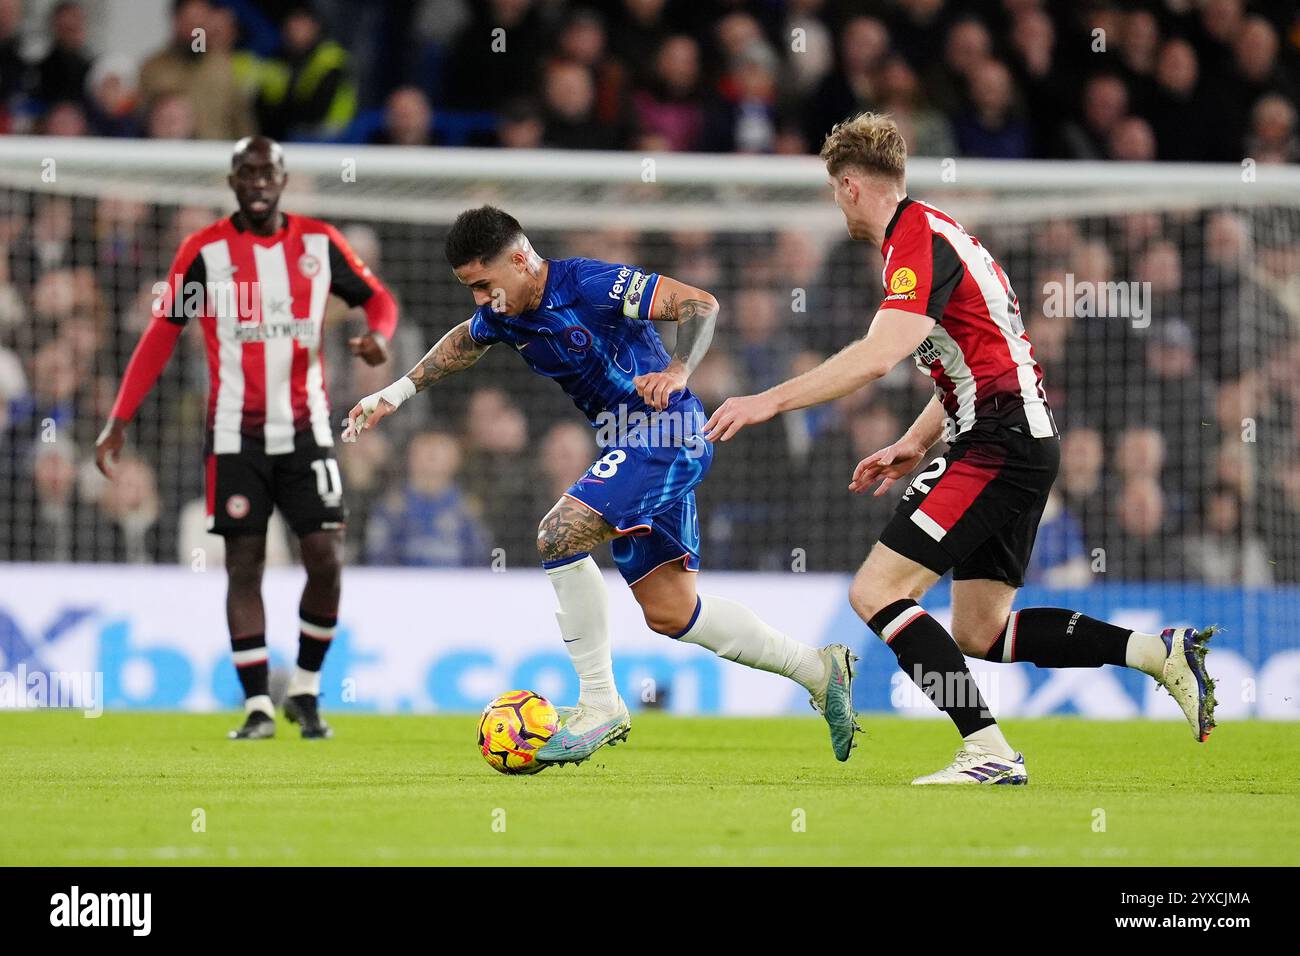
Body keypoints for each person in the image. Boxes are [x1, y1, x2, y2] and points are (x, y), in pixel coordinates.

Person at [704, 113, 1216, 785]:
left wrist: (766, 400)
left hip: (996, 441)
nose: (837, 205)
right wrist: (915, 442)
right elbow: (969, 357)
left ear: (853, 185)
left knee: (876, 592)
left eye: (835, 191)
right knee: (981, 630)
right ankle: (1158, 652)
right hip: (1018, 438)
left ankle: (989, 750)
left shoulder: (914, 239)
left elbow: (876, 357)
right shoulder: (943, 233)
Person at [344, 205, 857, 766]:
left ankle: (599, 703)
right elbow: (465, 341)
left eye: (483, 284)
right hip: (630, 445)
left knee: (557, 535)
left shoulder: (590, 282)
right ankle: (818, 669)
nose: (480, 300)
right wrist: (394, 393)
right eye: (470, 289)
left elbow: (698, 304)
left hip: (669, 430)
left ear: (519, 259)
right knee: (672, 612)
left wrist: (680, 368)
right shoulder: (506, 310)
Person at [95, 136, 398, 741]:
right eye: (247, 174)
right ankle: (259, 705)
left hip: (308, 430)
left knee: (326, 560)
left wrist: (379, 335)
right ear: (233, 181)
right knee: (243, 565)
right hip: (234, 437)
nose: (258, 184)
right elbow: (161, 333)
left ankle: (306, 693)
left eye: (269, 174)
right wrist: (120, 416)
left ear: (283, 180)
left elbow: (378, 299)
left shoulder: (319, 243)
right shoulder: (204, 251)